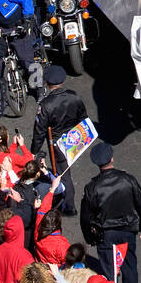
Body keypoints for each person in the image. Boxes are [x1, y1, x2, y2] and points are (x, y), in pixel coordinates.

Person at [80, 141, 141, 283]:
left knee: (108, 268)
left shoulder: (92, 187)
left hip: (105, 233)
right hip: (127, 230)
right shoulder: (128, 179)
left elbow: (86, 216)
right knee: (129, 264)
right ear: (112, 158)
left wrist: (89, 238)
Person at [30, 66, 88, 215]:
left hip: (57, 143)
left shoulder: (45, 105)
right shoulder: (74, 96)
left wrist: (34, 152)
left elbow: (39, 131)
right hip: (75, 139)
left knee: (63, 175)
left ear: (48, 83)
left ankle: (69, 207)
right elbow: (83, 118)